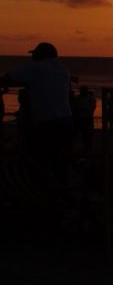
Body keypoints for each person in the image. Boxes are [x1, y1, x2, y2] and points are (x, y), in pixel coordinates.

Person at [2, 42, 74, 201]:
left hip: (45, 125)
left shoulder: (36, 68)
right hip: (66, 123)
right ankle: (59, 196)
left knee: (33, 159)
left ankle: (38, 196)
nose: (32, 57)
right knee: (58, 162)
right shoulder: (63, 71)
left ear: (40, 56)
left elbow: (8, 78)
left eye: (34, 54)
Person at [73, 86, 96, 151]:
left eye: (83, 90)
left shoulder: (90, 99)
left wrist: (82, 109)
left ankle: (88, 147)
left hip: (87, 118)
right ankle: (84, 147)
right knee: (80, 133)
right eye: (81, 90)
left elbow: (91, 109)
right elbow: (74, 108)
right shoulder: (77, 98)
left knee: (87, 133)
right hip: (80, 118)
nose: (81, 92)